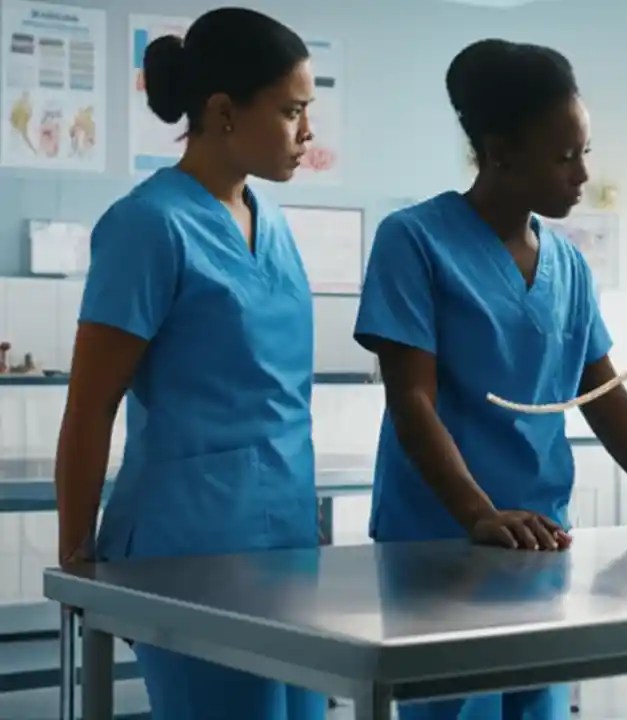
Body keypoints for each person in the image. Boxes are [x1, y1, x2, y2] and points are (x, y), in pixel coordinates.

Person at [353, 38, 627, 720]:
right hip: (440, 540)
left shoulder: (568, 264)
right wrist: (478, 514)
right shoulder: (414, 241)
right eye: (565, 157)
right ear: (500, 152)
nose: (582, 174)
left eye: (584, 151)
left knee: (540, 706)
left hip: (544, 542)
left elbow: (603, 395)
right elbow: (411, 401)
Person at [52, 7, 325, 720]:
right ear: (224, 112)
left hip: (287, 541)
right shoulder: (149, 225)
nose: (308, 133)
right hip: (187, 551)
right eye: (292, 111)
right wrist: (77, 558)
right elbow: (89, 406)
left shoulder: (276, 225)